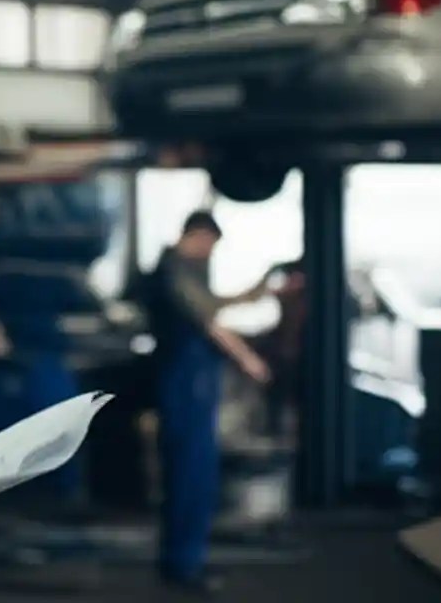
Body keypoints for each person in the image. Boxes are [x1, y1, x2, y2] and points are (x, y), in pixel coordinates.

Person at [144, 210, 272, 595]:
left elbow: (209, 306)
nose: (209, 253)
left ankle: (183, 561)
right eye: (209, 245)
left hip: (189, 384)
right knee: (190, 475)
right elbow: (207, 319)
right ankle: (183, 565)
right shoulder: (174, 271)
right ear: (198, 235)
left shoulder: (184, 271)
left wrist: (254, 294)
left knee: (192, 475)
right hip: (185, 385)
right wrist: (247, 357)